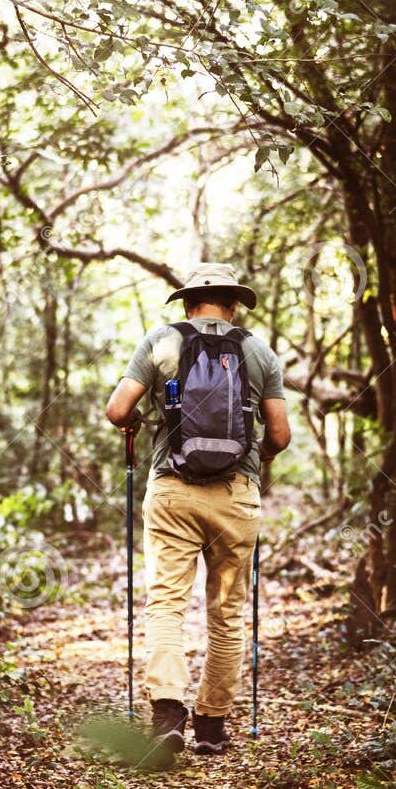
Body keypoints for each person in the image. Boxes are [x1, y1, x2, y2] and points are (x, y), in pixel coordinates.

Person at [105, 262, 291, 755]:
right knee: (227, 612)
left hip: (172, 489)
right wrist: (255, 458)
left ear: (188, 303)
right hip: (236, 495)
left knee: (166, 602)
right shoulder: (258, 352)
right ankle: (211, 725)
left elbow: (118, 410)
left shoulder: (161, 343)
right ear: (233, 304)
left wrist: (141, 426)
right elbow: (280, 436)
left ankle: (167, 712)